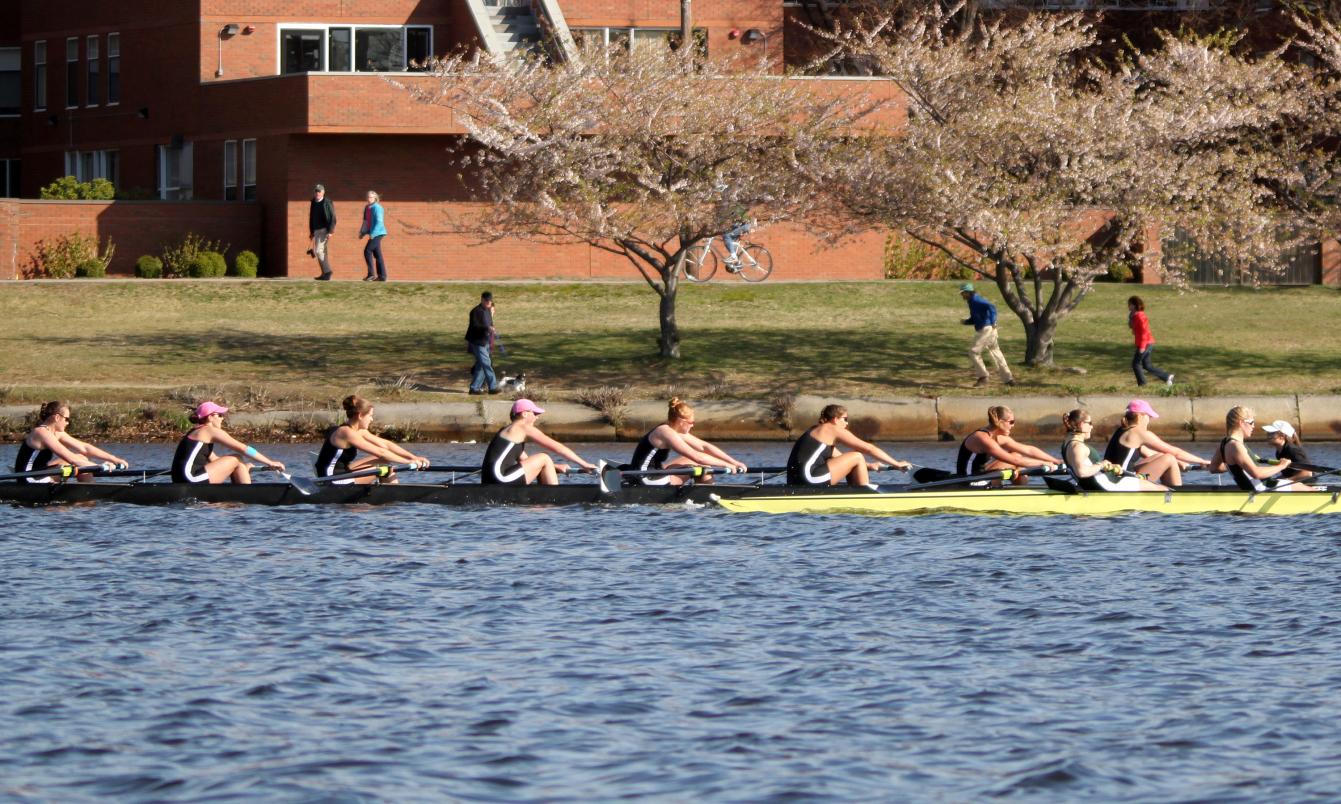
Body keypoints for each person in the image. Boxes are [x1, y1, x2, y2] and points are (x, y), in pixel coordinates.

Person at [625, 398, 748, 486]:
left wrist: (734, 462)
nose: (693, 425)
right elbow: (698, 458)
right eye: (691, 422)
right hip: (645, 479)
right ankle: (708, 496)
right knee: (702, 465)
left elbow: (704, 446)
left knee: (698, 461)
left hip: (653, 471)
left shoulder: (671, 429)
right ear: (681, 422)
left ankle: (704, 492)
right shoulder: (665, 432)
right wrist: (726, 465)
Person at [786, 404, 911, 489]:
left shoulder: (817, 430)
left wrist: (869, 465)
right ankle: (865, 496)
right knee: (857, 456)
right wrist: (897, 464)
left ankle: (857, 491)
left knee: (855, 458)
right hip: (810, 479)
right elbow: (869, 449)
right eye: (845, 419)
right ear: (835, 419)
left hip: (794, 480)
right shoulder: (832, 429)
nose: (847, 423)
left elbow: (840, 458)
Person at [315, 395, 430, 484]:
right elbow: (381, 452)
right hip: (331, 479)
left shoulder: (358, 430)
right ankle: (393, 497)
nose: (371, 419)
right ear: (360, 416)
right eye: (370, 416)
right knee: (385, 469)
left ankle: (385, 492)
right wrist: (408, 462)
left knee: (384, 461)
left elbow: (386, 444)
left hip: (343, 471)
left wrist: (413, 458)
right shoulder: (346, 432)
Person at [481, 399, 597, 485]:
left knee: (545, 461)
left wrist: (554, 466)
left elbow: (525, 461)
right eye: (535, 413)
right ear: (524, 414)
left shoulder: (507, 431)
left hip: (488, 479)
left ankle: (544, 501)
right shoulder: (523, 427)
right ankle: (554, 496)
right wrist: (584, 464)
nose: (537, 417)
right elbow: (557, 447)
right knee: (544, 457)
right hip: (500, 478)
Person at [1208, 406, 1320, 492]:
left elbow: (1214, 468)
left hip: (1255, 486)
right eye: (1251, 423)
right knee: (1312, 491)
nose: (1253, 426)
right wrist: (1282, 466)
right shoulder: (1236, 446)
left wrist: (1238, 467)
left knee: (1299, 485)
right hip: (1263, 487)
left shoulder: (1224, 443)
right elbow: (1257, 473)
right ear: (1241, 423)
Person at [13, 400, 129, 483]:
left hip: (39, 472)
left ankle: (88, 492)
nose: (68, 423)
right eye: (67, 419)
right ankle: (89, 498)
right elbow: (71, 458)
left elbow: (85, 448)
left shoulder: (56, 433)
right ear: (57, 417)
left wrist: (114, 459)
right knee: (76, 463)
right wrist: (100, 467)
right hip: (28, 479)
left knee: (81, 457)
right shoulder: (41, 433)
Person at [171, 401, 285, 484]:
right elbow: (243, 448)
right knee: (236, 457)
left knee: (238, 462)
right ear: (210, 417)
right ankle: (247, 495)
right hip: (191, 478)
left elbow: (215, 460)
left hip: (180, 479)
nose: (222, 418)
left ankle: (242, 492)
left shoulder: (196, 432)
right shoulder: (209, 431)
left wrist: (243, 468)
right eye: (220, 415)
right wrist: (270, 462)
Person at [1102, 399, 1209, 487]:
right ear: (1140, 416)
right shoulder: (1139, 433)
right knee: (1169, 458)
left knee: (1164, 456)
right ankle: (1177, 497)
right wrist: (1202, 461)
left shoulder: (1122, 430)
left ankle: (1170, 491)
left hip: (1113, 477)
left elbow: (1151, 454)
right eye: (1149, 417)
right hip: (1122, 481)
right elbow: (1175, 452)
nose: (1149, 420)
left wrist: (1179, 463)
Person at [1061, 409, 1165, 492]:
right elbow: (1081, 472)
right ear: (1081, 425)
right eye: (1090, 423)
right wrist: (1102, 465)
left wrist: (1109, 467)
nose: (1092, 427)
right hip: (1109, 484)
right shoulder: (1078, 447)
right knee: (1162, 489)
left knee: (1151, 485)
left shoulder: (1067, 444)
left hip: (1098, 484)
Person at [956, 405, 1059, 485]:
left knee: (1016, 457)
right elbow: (1015, 460)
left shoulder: (996, 436)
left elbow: (1029, 450)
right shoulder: (983, 439)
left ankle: (1020, 494)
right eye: (1011, 422)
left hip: (982, 476)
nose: (1013, 425)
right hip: (969, 481)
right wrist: (1043, 463)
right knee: (1015, 461)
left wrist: (1056, 461)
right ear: (1001, 422)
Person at [959, 282, 1015, 388]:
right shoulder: (971, 301)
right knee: (995, 352)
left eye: (963, 293)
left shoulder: (976, 300)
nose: (962, 295)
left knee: (973, 352)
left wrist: (993, 321)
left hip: (986, 329)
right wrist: (966, 322)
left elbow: (991, 307)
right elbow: (976, 318)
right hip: (989, 329)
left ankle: (983, 377)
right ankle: (1008, 379)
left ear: (968, 292)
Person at [1128, 296, 1173, 387]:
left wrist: (1142, 346)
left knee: (1136, 364)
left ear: (1134, 305)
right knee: (1147, 366)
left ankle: (1142, 385)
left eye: (1130, 304)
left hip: (1145, 343)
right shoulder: (1134, 315)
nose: (1128, 306)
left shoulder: (1140, 316)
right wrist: (1131, 318)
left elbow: (1144, 332)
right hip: (1145, 343)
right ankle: (1166, 377)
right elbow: (1132, 327)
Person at [465, 291, 500, 395]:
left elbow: (490, 323)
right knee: (486, 363)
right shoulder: (475, 311)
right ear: (482, 300)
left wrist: (492, 329)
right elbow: (475, 326)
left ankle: (474, 388)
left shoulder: (488, 310)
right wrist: (487, 328)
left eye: (490, 301)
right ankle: (493, 387)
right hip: (477, 342)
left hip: (486, 341)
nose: (489, 303)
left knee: (481, 365)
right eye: (487, 301)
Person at [358, 190, 388, 281]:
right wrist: (362, 232)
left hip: (378, 233)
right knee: (377, 254)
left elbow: (379, 222)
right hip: (373, 233)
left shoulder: (377, 208)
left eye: (371, 197)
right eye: (368, 197)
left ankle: (371, 274)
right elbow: (365, 221)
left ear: (375, 198)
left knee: (367, 251)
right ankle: (382, 276)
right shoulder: (367, 208)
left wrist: (373, 234)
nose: (369, 199)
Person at [309, 183, 336, 280]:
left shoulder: (327, 202)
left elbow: (332, 217)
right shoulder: (313, 202)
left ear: (323, 192)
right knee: (322, 252)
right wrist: (311, 231)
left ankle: (327, 272)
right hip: (316, 230)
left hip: (325, 229)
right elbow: (311, 217)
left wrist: (331, 231)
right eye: (316, 191)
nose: (317, 193)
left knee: (318, 251)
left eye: (319, 191)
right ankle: (324, 274)